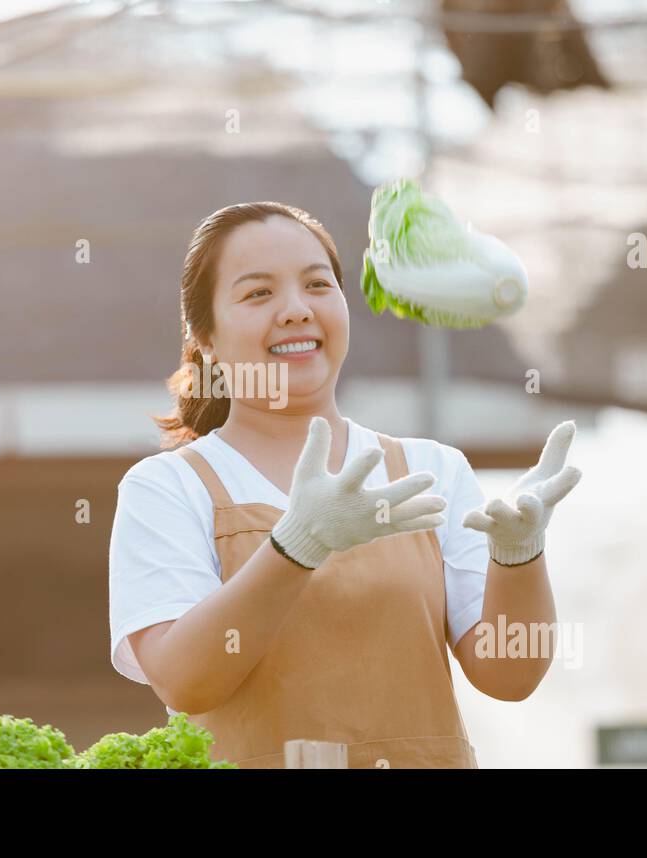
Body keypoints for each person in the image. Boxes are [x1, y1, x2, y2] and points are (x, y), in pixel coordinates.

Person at [107, 201, 581, 768]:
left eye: (317, 285)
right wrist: (297, 546)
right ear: (204, 337)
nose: (296, 310)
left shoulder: (432, 470)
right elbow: (186, 682)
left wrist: (519, 558)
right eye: (258, 293)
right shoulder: (167, 487)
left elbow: (509, 674)